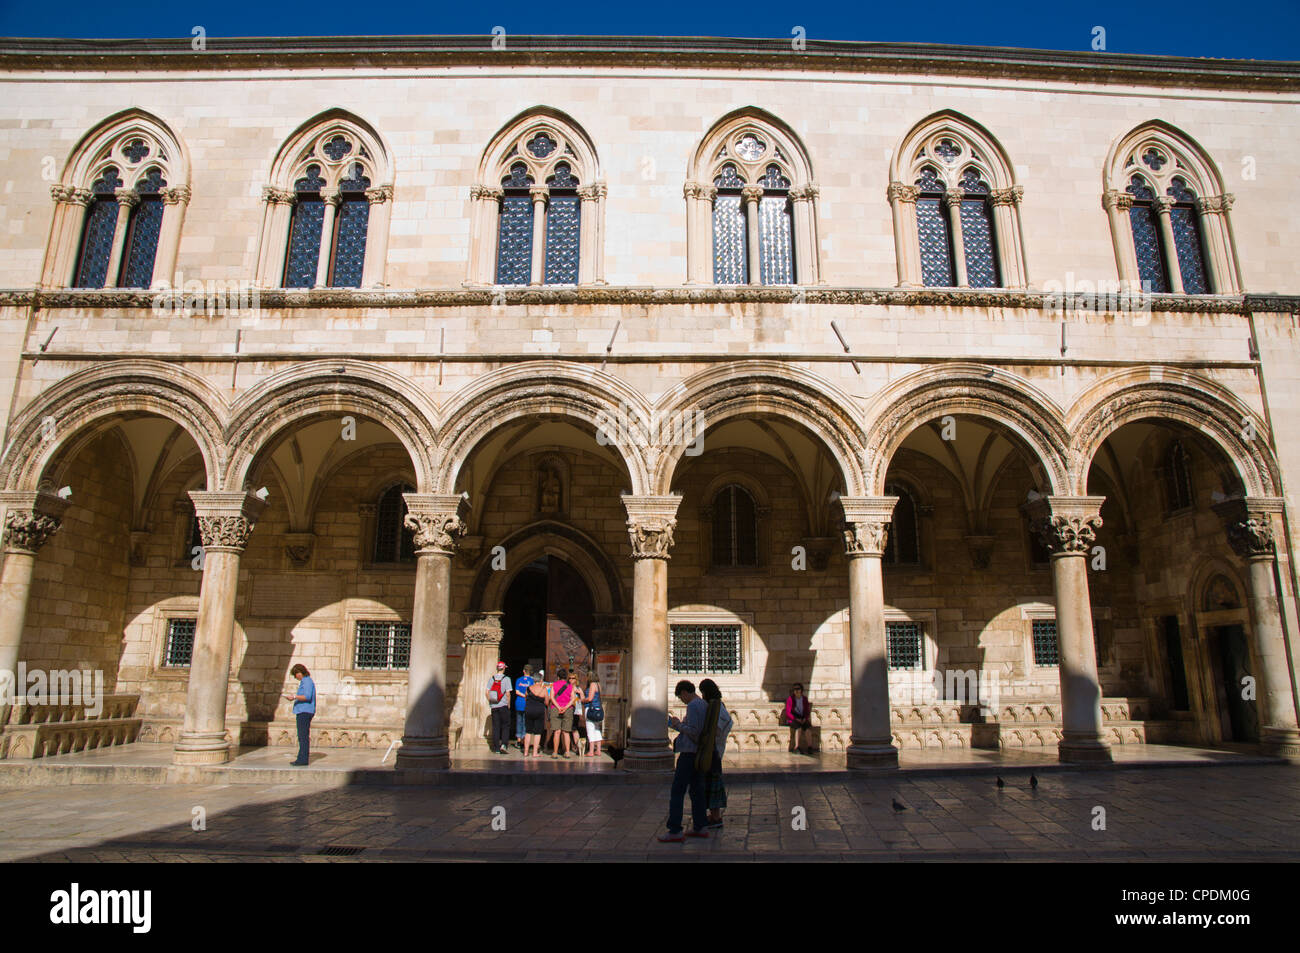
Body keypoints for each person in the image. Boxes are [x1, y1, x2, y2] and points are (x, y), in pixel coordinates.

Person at [658, 679, 717, 842]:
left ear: (684, 692)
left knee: (677, 791)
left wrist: (677, 725)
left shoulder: (693, 706)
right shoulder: (703, 704)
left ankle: (675, 829)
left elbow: (694, 732)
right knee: (696, 790)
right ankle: (701, 826)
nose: (682, 700)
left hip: (689, 754)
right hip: (698, 754)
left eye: (680, 697)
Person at [699, 679, 733, 829]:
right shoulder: (719, 705)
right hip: (716, 749)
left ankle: (716, 817)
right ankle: (714, 815)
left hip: (713, 751)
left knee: (713, 783)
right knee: (712, 783)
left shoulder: (715, 706)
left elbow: (719, 726)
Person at [284, 664, 315, 766]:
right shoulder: (305, 681)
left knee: (303, 736)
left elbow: (307, 696)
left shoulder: (307, 681)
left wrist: (294, 697)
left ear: (300, 672)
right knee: (302, 735)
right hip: (303, 711)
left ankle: (302, 759)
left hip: (304, 711)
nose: (296, 677)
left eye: (296, 674)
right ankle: (301, 758)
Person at [486, 661, 512, 755]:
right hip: (503, 705)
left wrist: (491, 701)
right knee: (505, 726)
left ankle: (496, 748)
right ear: (504, 668)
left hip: (494, 706)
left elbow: (487, 692)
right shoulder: (507, 679)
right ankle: (504, 745)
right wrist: (508, 704)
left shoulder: (492, 678)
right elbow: (508, 693)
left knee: (496, 727)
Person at [548, 668, 575, 757]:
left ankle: (555, 752)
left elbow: (552, 697)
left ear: (558, 676)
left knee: (557, 732)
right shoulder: (570, 686)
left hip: (556, 708)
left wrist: (559, 707)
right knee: (566, 732)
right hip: (568, 709)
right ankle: (567, 752)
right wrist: (565, 707)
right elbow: (573, 699)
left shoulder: (554, 685)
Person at [785, 683, 815, 754]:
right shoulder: (790, 699)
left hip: (802, 717)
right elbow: (788, 713)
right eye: (795, 689)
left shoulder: (804, 699)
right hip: (793, 718)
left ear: (801, 690)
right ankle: (796, 747)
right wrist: (795, 719)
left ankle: (810, 746)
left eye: (798, 689)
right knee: (798, 728)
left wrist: (805, 718)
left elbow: (807, 711)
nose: (796, 691)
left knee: (807, 728)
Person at [524, 673, 549, 758]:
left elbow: (525, 698)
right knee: (537, 732)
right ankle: (535, 753)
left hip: (529, 710)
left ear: (533, 680)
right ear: (541, 680)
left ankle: (526, 752)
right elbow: (546, 702)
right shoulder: (544, 689)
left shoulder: (528, 689)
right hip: (539, 711)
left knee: (528, 731)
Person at [513, 664, 535, 750]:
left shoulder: (519, 680)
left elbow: (517, 692)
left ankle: (519, 740)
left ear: (523, 671)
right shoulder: (532, 681)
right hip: (528, 703)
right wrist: (526, 696)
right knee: (526, 722)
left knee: (519, 721)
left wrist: (522, 695)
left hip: (519, 702)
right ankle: (524, 740)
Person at [583, 674, 604, 757]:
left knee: (590, 729)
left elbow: (590, 698)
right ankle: (598, 750)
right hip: (598, 709)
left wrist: (583, 700)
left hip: (591, 710)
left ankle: (591, 751)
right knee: (597, 729)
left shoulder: (592, 684)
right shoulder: (599, 685)